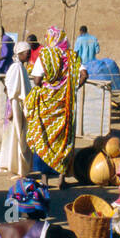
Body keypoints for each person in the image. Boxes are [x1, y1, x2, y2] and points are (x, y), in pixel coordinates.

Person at [24, 26, 86, 188]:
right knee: (64, 141)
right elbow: (84, 74)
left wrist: (50, 86)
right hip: (65, 105)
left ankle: (44, 179)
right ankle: (61, 178)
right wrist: (71, 88)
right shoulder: (72, 56)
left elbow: (37, 80)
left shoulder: (45, 55)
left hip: (46, 106)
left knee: (45, 139)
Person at [0, 41, 34, 178]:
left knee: (19, 136)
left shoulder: (21, 68)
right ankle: (18, 168)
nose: (29, 55)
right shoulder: (16, 68)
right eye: (27, 53)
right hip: (16, 105)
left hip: (19, 105)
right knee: (18, 136)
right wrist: (12, 109)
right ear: (20, 54)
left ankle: (18, 166)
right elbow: (11, 90)